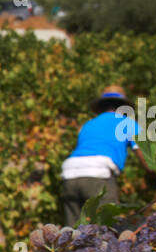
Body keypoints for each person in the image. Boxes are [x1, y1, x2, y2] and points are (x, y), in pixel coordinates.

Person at [59, 85, 149, 227]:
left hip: (69, 175)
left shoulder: (87, 125)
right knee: (106, 230)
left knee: (72, 234)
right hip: (98, 174)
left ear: (101, 107)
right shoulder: (128, 123)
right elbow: (144, 153)